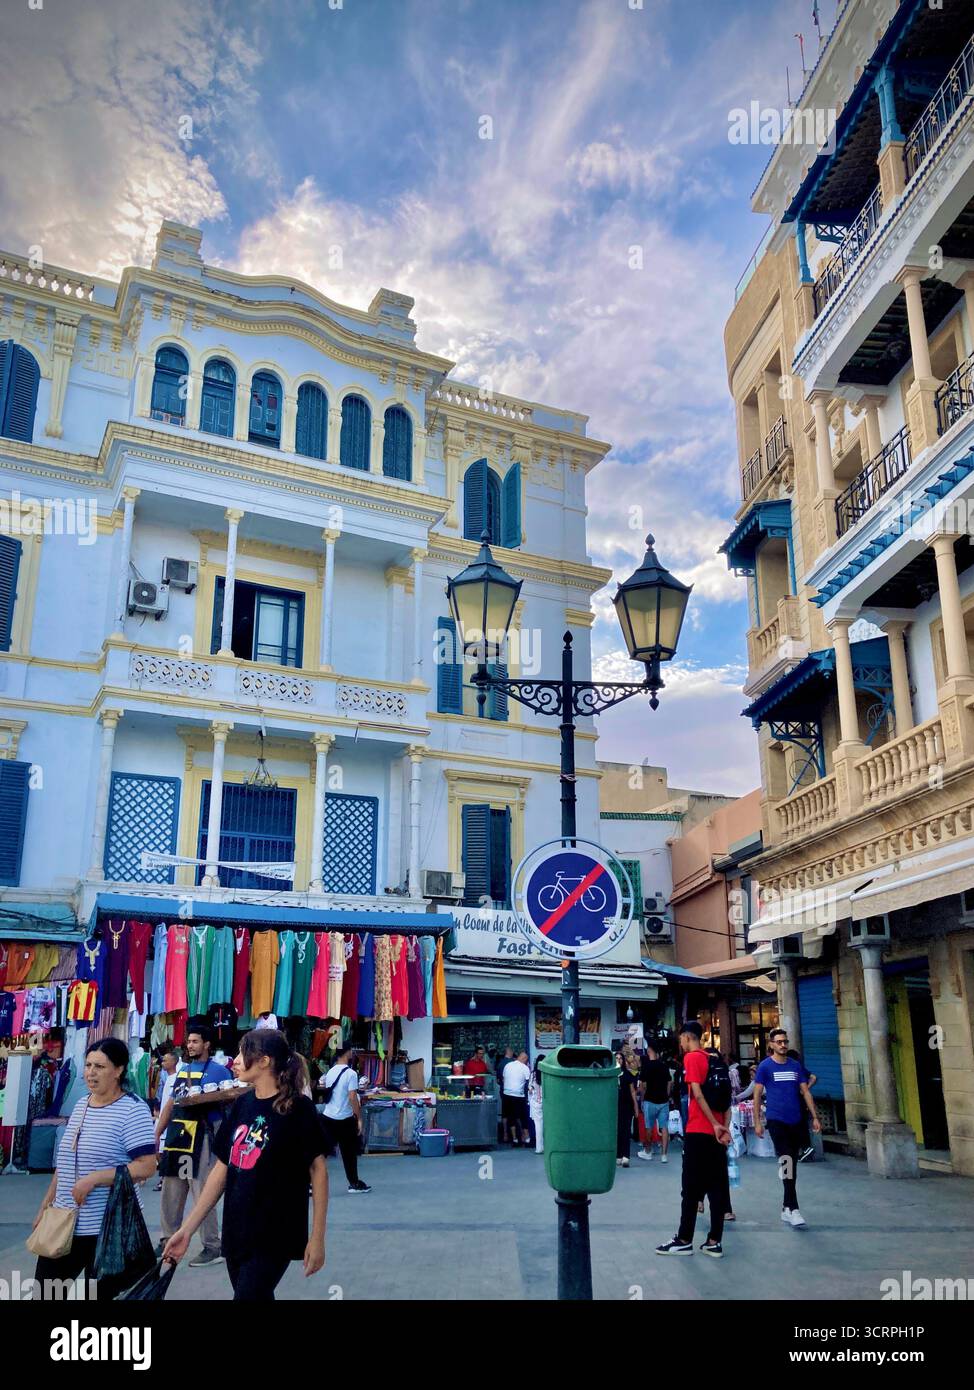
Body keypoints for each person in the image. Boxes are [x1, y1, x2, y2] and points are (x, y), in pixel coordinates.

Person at [163, 1029, 327, 1301]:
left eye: (242, 1054)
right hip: (237, 1229)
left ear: (263, 1061)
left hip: (276, 1232)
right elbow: (221, 1170)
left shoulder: (299, 1109)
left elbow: (318, 1171)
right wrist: (187, 1230)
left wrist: (317, 1237)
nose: (235, 1061)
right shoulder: (243, 1104)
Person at [31, 1038, 157, 1300]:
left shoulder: (133, 1110)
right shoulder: (81, 1105)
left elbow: (147, 1166)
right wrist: (46, 1204)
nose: (90, 1072)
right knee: (45, 1294)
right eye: (88, 1065)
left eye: (99, 1066)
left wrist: (96, 1179)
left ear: (119, 1069)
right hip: (64, 1222)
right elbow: (67, 1161)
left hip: (107, 1227)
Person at [156, 1023, 233, 1267]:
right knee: (172, 1189)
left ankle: (212, 1246)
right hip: (179, 1137)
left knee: (202, 1191)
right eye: (188, 1042)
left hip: (203, 1137)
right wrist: (156, 1133)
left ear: (207, 1044)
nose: (190, 1046)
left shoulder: (220, 1072)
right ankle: (168, 1238)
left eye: (195, 1041)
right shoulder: (183, 1070)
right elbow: (171, 1104)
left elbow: (229, 1106)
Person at [656, 1021, 731, 1259]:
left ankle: (684, 1239)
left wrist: (713, 1123)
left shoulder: (693, 1059)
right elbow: (728, 1100)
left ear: (687, 1038)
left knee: (690, 1187)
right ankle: (714, 1241)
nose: (680, 1044)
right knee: (717, 1187)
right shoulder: (716, 1060)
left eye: (681, 1039)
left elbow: (696, 1094)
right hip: (717, 1136)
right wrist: (723, 1127)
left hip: (699, 1131)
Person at [753, 1028, 821, 1228]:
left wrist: (814, 1116)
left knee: (791, 1161)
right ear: (771, 1044)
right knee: (787, 1159)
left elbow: (805, 1091)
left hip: (796, 1120)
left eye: (785, 1041)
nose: (783, 1045)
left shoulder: (795, 1066)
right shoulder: (765, 1067)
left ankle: (786, 1206)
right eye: (779, 1042)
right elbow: (757, 1094)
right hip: (776, 1120)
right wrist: (758, 1121)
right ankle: (793, 1208)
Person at [319, 1044, 371, 1193]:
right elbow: (352, 1097)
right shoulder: (351, 1074)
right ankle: (354, 1183)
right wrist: (358, 1117)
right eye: (351, 1051)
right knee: (349, 1153)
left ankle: (310, 1183)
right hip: (345, 1118)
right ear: (347, 1053)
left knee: (322, 1152)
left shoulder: (330, 1072)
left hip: (328, 1117)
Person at [637, 1041, 672, 1163]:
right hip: (663, 1101)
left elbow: (642, 1085)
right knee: (664, 1127)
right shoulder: (664, 1066)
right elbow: (669, 1082)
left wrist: (642, 1099)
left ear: (649, 1051)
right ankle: (664, 1155)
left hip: (650, 1100)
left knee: (649, 1126)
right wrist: (667, 1095)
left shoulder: (646, 1066)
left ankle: (648, 1151)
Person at [787, 1047, 818, 1161]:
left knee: (799, 1124)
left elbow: (813, 1077)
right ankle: (804, 1148)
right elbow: (813, 1077)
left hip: (797, 1100)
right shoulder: (799, 1067)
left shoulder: (794, 1067)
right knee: (801, 1123)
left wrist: (804, 1090)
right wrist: (806, 1089)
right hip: (801, 1099)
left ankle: (805, 1147)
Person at [501, 1050, 532, 1146]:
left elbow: (504, 1079)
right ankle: (526, 1138)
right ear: (524, 1059)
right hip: (518, 1095)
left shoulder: (508, 1065)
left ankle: (514, 1139)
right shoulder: (524, 1068)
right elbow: (529, 1083)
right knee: (523, 1117)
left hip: (506, 1094)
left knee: (510, 1117)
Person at [616, 1051, 639, 1167]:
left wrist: (636, 1107)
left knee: (626, 1131)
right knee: (618, 1131)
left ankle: (626, 1156)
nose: (619, 1060)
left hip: (627, 1106)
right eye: (617, 1058)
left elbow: (633, 1092)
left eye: (620, 1058)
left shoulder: (628, 1075)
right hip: (615, 1108)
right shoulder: (611, 1075)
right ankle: (619, 1155)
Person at [528, 1054, 544, 1153]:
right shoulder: (546, 1073)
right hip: (546, 1102)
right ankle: (547, 1146)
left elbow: (530, 1088)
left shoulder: (533, 1074)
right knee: (547, 1125)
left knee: (538, 1125)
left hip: (535, 1102)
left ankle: (539, 1148)